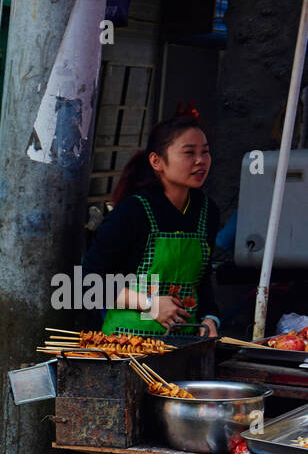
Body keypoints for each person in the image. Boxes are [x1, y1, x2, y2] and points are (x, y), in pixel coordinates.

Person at [83, 114, 222, 337]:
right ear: (156, 161)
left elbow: (202, 279)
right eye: (189, 153)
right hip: (127, 343)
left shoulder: (208, 212)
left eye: (204, 152)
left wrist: (210, 318)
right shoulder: (133, 212)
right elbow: (88, 284)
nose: (200, 160)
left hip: (186, 342)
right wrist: (150, 303)